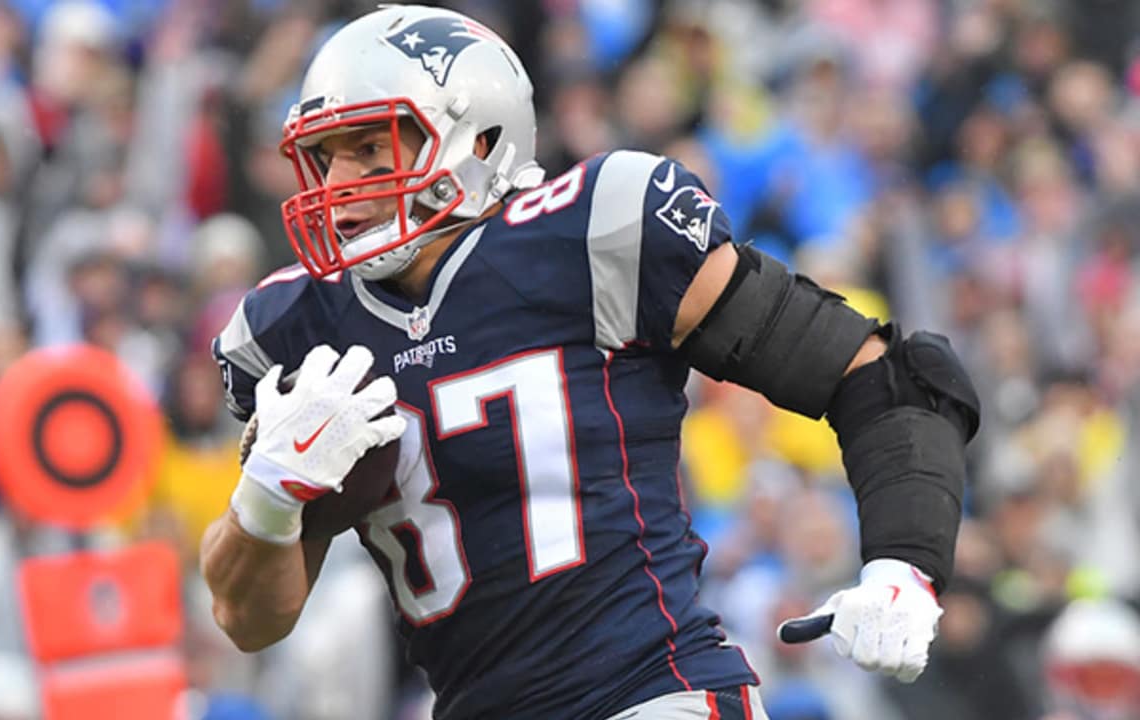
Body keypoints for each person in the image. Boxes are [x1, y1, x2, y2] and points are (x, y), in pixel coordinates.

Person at [200, 5, 981, 719]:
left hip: (652, 691)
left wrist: (902, 563)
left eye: (369, 149)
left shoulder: (591, 232)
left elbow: (881, 375)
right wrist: (268, 497)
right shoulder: (298, 329)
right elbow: (250, 621)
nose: (341, 187)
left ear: (477, 142)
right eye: (326, 157)